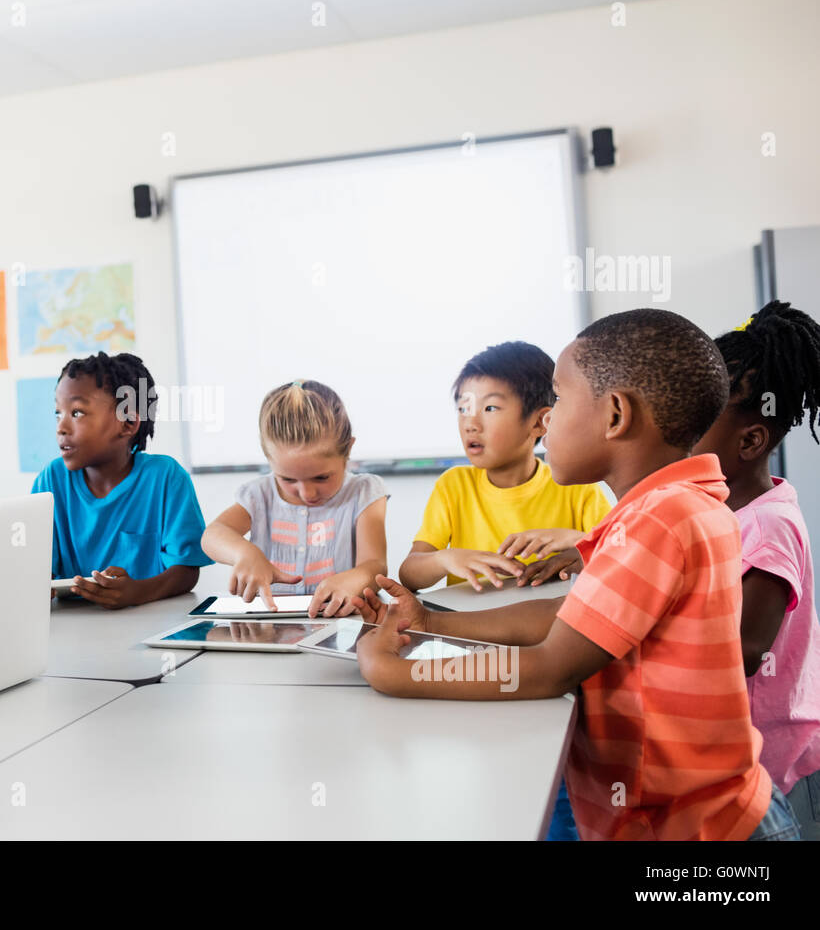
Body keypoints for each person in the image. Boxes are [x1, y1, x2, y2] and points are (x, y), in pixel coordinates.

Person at [353, 309, 798, 840]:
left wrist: (393, 675)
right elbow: (568, 614)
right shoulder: (668, 507)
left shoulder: (662, 518)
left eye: (558, 401)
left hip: (700, 830)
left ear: (615, 416)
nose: (547, 422)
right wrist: (428, 620)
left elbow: (548, 669)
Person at [693, 301, 820, 839]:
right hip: (734, 750)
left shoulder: (768, 525)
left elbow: (746, 650)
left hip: (764, 759)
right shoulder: (722, 509)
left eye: (694, 428)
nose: (677, 440)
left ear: (749, 442)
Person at [398, 342, 610, 593]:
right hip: (468, 627)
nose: (470, 424)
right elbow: (409, 574)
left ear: (540, 423)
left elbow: (619, 558)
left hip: (548, 624)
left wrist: (576, 541)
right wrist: (445, 559)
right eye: (463, 409)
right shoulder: (454, 485)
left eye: (490, 408)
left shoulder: (578, 489)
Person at [32, 352, 211, 609]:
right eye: (58, 413)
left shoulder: (165, 478)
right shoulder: (51, 480)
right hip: (74, 627)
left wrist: (137, 593)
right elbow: (36, 568)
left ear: (127, 423)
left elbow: (186, 571)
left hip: (151, 620)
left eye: (78, 412)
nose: (61, 427)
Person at [201, 380, 387, 617]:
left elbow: (375, 566)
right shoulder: (260, 495)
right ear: (268, 457)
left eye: (321, 478)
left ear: (348, 450)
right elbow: (213, 535)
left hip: (340, 624)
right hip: (270, 625)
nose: (307, 493)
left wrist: (356, 580)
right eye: (288, 479)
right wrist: (245, 554)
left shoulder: (363, 493)